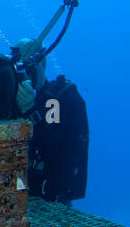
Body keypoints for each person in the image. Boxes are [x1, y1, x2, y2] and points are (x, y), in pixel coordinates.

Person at [13, 38, 89, 205]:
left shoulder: (55, 100)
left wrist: (30, 111)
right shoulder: (16, 99)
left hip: (50, 195)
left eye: (30, 69)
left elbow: (54, 150)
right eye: (22, 71)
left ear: (43, 63)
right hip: (20, 190)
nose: (27, 77)